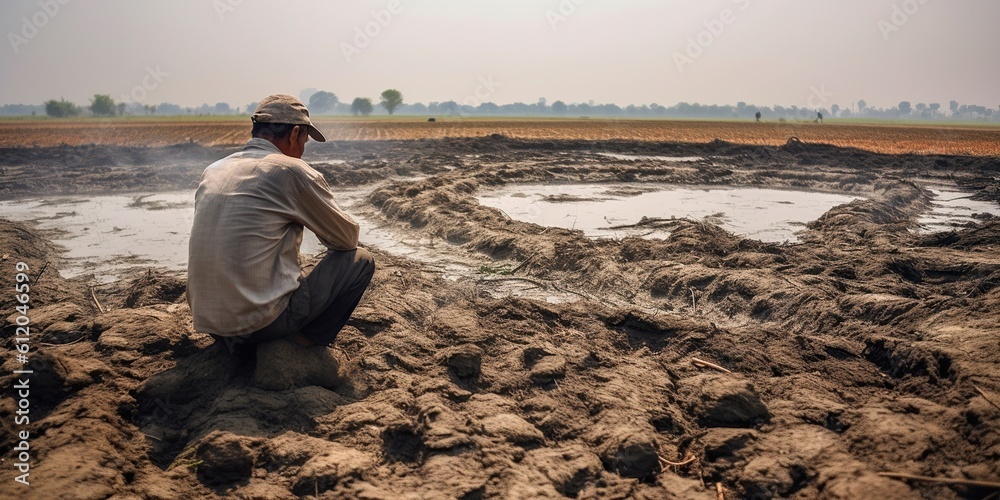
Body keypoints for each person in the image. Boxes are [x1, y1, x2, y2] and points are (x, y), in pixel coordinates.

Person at [187, 94, 374, 350]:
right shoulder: (290, 170)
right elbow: (345, 239)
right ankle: (301, 344)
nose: (303, 150)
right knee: (360, 260)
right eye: (305, 141)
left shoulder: (214, 169)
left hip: (211, 325)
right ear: (295, 133)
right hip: (259, 326)